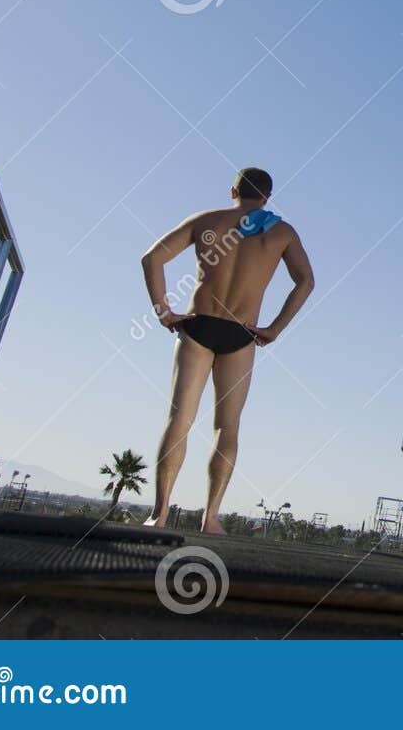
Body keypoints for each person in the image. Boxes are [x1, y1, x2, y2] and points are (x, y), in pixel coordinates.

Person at [138, 167, 314, 533]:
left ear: (233, 189)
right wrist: (275, 328)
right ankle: (211, 517)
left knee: (179, 421)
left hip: (198, 326)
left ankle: (160, 514)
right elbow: (306, 282)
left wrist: (163, 312)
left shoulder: (208, 220)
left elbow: (151, 258)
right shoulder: (281, 232)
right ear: (267, 197)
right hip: (242, 334)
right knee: (227, 427)